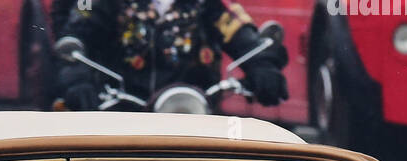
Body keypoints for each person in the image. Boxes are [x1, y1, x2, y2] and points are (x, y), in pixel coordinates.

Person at [55, 0, 287, 112]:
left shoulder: (207, 3)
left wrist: (262, 64)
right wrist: (77, 75)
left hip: (195, 116)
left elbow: (235, 27)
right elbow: (78, 32)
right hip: (124, 115)